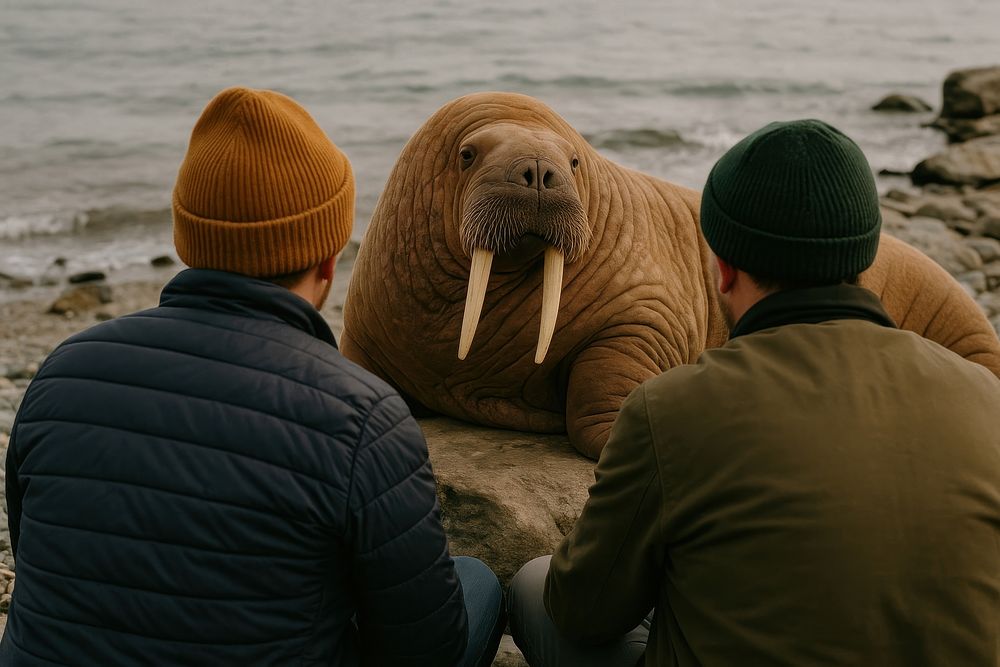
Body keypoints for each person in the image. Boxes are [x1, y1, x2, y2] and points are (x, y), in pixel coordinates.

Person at [1, 87, 504, 666]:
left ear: (187, 239)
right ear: (327, 257)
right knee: (476, 585)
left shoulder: (64, 371)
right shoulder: (362, 416)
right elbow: (425, 651)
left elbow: (36, 550)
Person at [508, 119, 1000, 666]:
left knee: (534, 586)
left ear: (723, 268)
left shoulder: (671, 410)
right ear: (865, 257)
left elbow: (581, 610)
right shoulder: (985, 396)